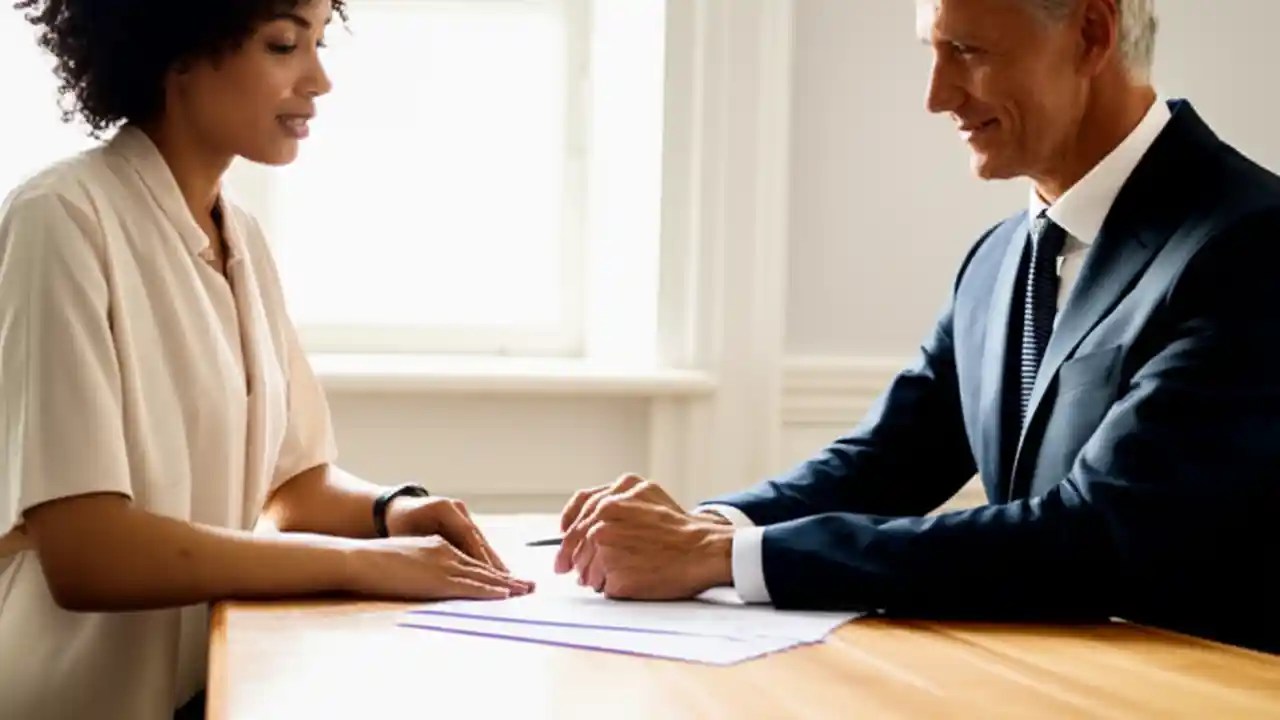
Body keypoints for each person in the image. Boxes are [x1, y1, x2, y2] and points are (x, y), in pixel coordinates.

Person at [555, 0, 1280, 655]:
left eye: (967, 52)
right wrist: (715, 525)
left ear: (1092, 34)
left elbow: (1096, 535)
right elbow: (886, 460)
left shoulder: (1252, 241)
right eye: (931, 53)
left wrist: (723, 559)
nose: (936, 97)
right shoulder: (995, 260)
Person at [0, 1, 534, 718]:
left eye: (318, 41)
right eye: (283, 44)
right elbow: (88, 553)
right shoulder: (60, 219)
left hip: (206, 688)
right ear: (179, 48)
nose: (319, 79)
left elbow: (292, 483)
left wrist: (393, 514)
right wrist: (360, 564)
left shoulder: (239, 235)